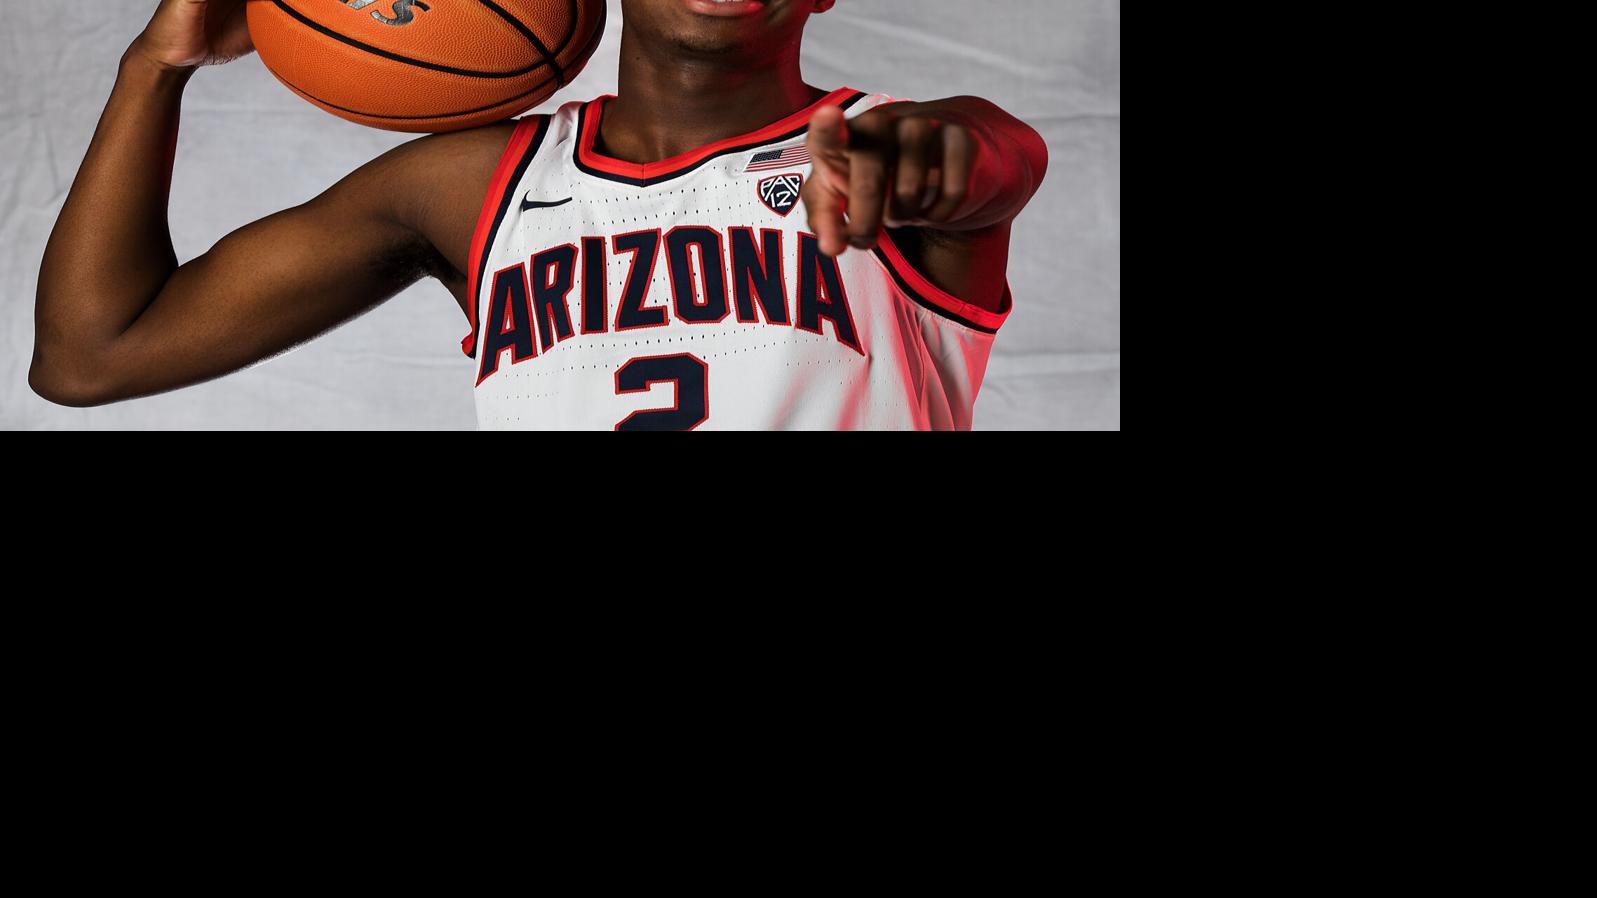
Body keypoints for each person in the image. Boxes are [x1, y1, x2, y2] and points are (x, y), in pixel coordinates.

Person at [30, 0, 1048, 430]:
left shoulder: (887, 147)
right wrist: (151, 68)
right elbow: (93, 354)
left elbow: (992, 158)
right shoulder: (474, 185)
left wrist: (931, 162)